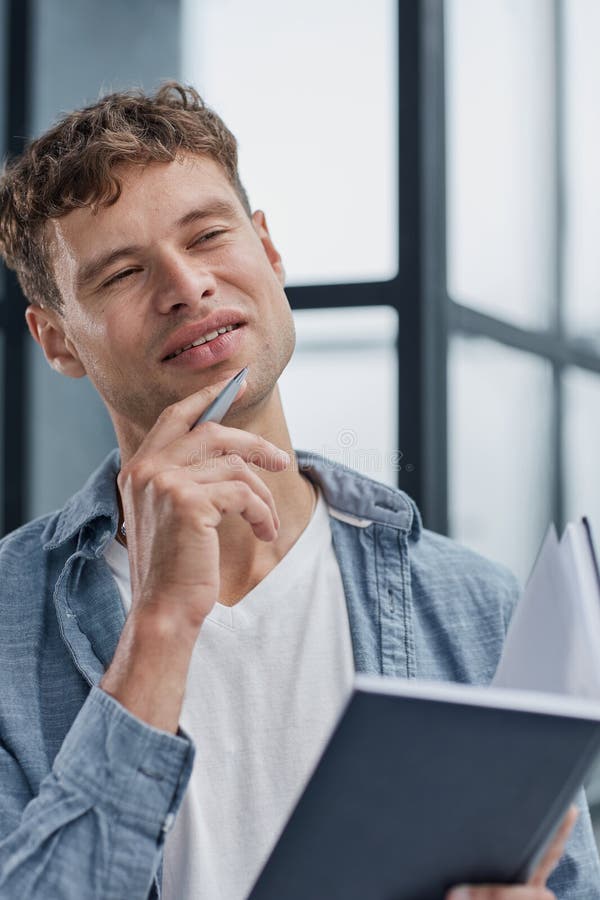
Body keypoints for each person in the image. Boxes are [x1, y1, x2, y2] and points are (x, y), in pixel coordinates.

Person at [0, 82, 597, 900]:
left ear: (269, 250)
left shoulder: (476, 609)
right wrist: (162, 624)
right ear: (58, 340)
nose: (186, 285)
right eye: (122, 274)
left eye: (209, 235)